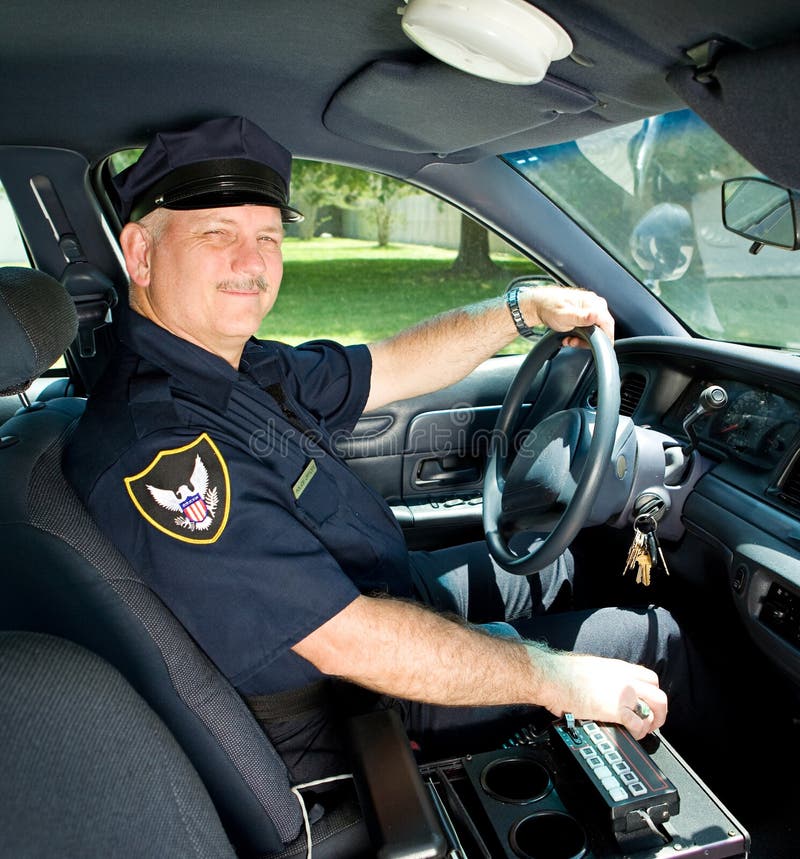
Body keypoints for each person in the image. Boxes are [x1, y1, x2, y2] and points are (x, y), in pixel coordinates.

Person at [65, 116, 700, 784]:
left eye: (268, 237)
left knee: (569, 558)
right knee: (652, 641)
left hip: (386, 600)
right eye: (217, 234)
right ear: (140, 253)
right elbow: (347, 639)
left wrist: (524, 309)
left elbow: (393, 363)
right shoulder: (162, 451)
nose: (251, 264)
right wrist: (559, 678)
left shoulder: (241, 365)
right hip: (364, 706)